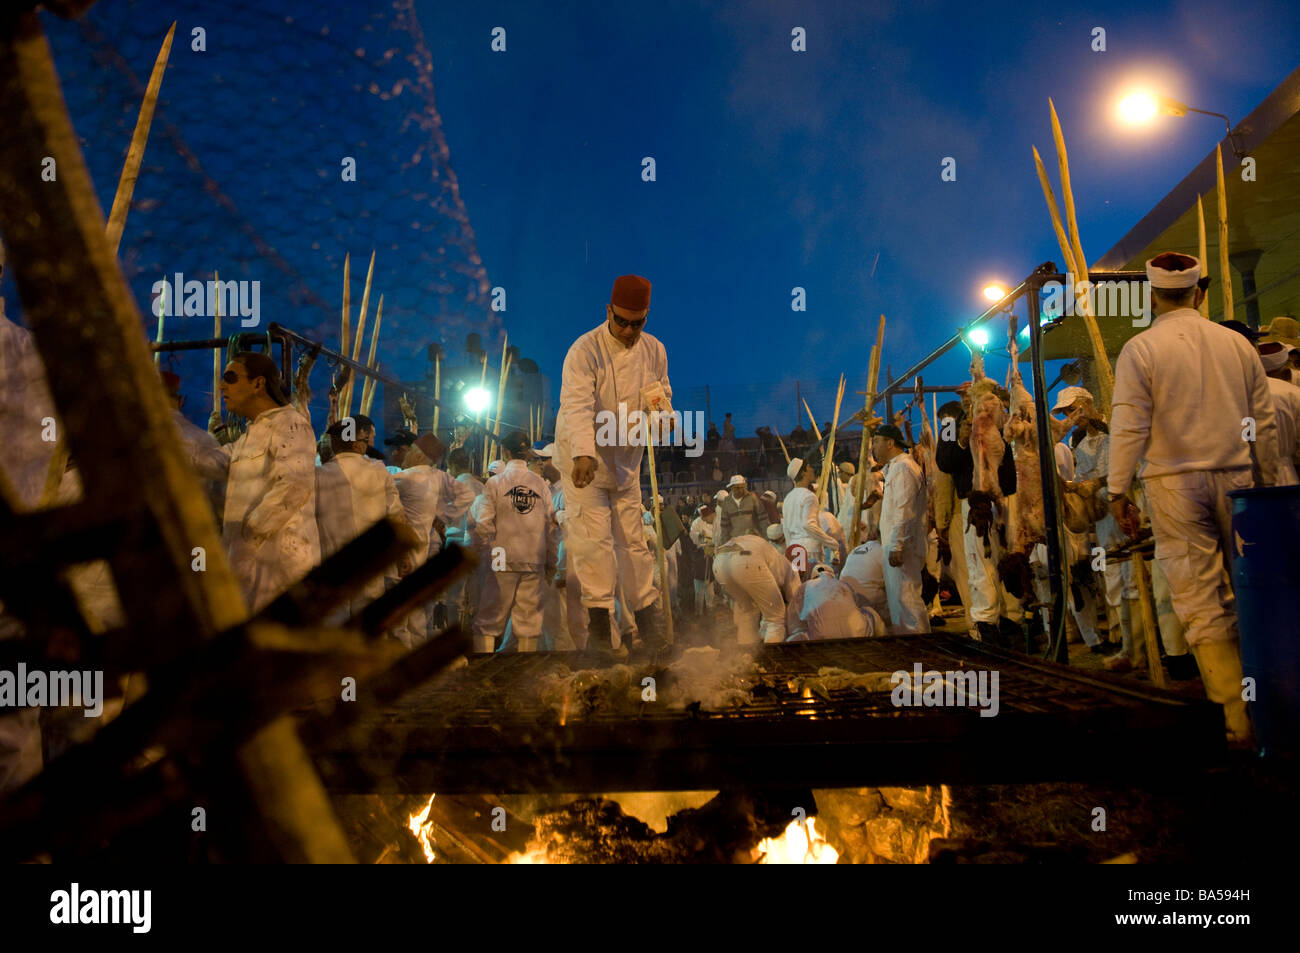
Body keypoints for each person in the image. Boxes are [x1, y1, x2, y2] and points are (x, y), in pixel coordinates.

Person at [1108, 252, 1280, 746]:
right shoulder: (1237, 345)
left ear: (1150, 295)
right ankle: (1274, 700)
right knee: (1252, 587)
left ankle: (1235, 720)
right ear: (1199, 293)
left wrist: (1117, 490)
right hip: (1240, 480)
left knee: (1202, 599)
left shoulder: (1140, 349)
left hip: (1174, 485)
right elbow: (1261, 422)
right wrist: (1265, 483)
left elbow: (1129, 425)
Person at [554, 274, 672, 652]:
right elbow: (577, 405)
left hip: (627, 463)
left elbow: (662, 396)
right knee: (594, 543)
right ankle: (600, 629)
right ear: (608, 311)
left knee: (634, 542)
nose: (627, 330)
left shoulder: (654, 350)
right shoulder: (584, 350)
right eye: (620, 321)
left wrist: (661, 414)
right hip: (583, 464)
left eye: (636, 323)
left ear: (646, 317)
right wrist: (583, 453)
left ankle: (649, 620)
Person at [191, 352, 320, 613]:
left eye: (230, 378)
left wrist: (249, 534)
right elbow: (215, 461)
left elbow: (294, 485)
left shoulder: (291, 424)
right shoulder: (253, 432)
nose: (221, 386)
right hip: (250, 568)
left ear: (258, 383)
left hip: (277, 568)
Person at [315, 413, 412, 622]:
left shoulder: (318, 475)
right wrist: (403, 555)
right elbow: (396, 514)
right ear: (360, 437)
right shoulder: (378, 471)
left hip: (332, 566)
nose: (372, 441)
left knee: (333, 624)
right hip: (370, 565)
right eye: (371, 437)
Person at [471, 430, 558, 654]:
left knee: (489, 620)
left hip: (501, 557)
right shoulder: (540, 485)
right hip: (534, 558)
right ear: (527, 453)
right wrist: (551, 560)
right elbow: (550, 528)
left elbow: (483, 524)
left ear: (505, 451)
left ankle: (482, 673)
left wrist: (481, 551)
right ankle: (525, 675)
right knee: (529, 622)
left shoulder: (495, 483)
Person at [391, 432, 476, 646]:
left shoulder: (405, 477)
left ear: (420, 455)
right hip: (423, 551)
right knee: (418, 612)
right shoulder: (438, 477)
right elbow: (468, 496)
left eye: (410, 451)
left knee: (399, 614)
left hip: (403, 555)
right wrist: (442, 516)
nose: (406, 455)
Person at [871, 424, 930, 634]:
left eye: (876, 441)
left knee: (907, 599)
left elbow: (905, 510)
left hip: (903, 547)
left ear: (890, 443)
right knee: (900, 599)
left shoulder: (904, 468)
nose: (873, 447)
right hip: (898, 543)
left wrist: (897, 544)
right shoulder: (897, 468)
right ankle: (909, 644)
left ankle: (918, 645)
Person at [712, 533, 800, 644]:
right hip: (747, 560)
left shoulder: (768, 549)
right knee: (775, 618)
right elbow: (794, 600)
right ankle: (773, 656)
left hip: (719, 561)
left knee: (747, 613)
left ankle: (747, 655)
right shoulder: (791, 569)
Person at [787, 564, 883, 641]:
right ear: (832, 575)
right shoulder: (843, 584)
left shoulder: (805, 586)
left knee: (793, 636)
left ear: (813, 577)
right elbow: (856, 605)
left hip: (819, 639)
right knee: (870, 612)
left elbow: (792, 622)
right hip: (857, 634)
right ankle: (884, 644)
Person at [781, 457, 838, 578]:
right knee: (815, 585)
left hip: (795, 549)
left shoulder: (788, 498)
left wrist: (790, 548)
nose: (812, 470)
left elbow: (785, 529)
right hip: (810, 551)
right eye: (809, 467)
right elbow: (808, 525)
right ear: (803, 472)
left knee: (800, 587)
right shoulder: (809, 496)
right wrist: (832, 542)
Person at [717, 474, 769, 543]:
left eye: (743, 487)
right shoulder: (726, 503)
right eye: (737, 488)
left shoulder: (753, 498)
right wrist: (724, 543)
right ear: (732, 488)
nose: (741, 490)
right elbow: (724, 527)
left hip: (753, 539)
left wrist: (766, 538)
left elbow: (763, 520)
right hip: (736, 541)